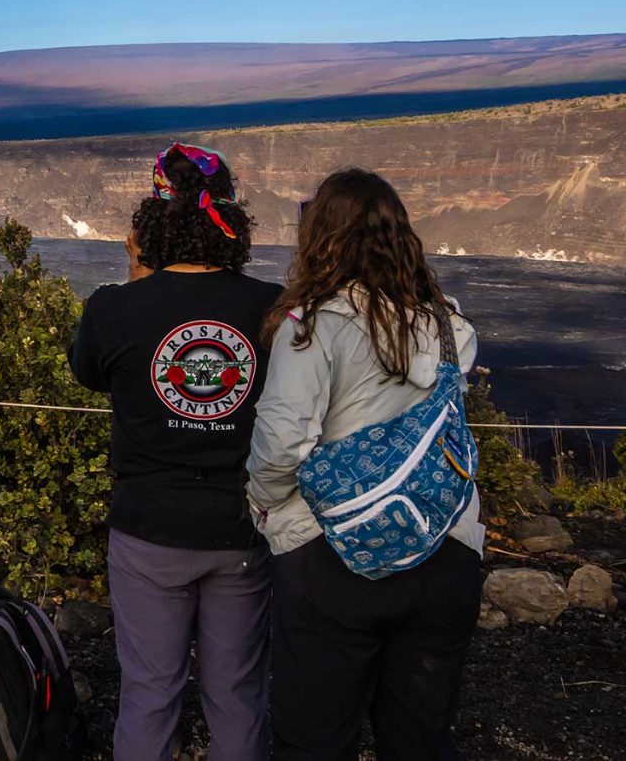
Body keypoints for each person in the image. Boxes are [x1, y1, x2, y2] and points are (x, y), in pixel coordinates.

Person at [248, 168, 483, 761]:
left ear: (321, 236)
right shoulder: (452, 327)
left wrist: (266, 505)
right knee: (419, 736)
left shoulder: (313, 325)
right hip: (443, 545)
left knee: (315, 737)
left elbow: (282, 439)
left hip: (332, 552)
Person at [68, 143, 280, 761]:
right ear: (231, 223)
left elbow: (92, 373)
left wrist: (141, 277)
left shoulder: (113, 309)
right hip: (242, 528)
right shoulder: (273, 308)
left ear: (150, 224)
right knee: (239, 694)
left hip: (148, 530)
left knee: (150, 691)